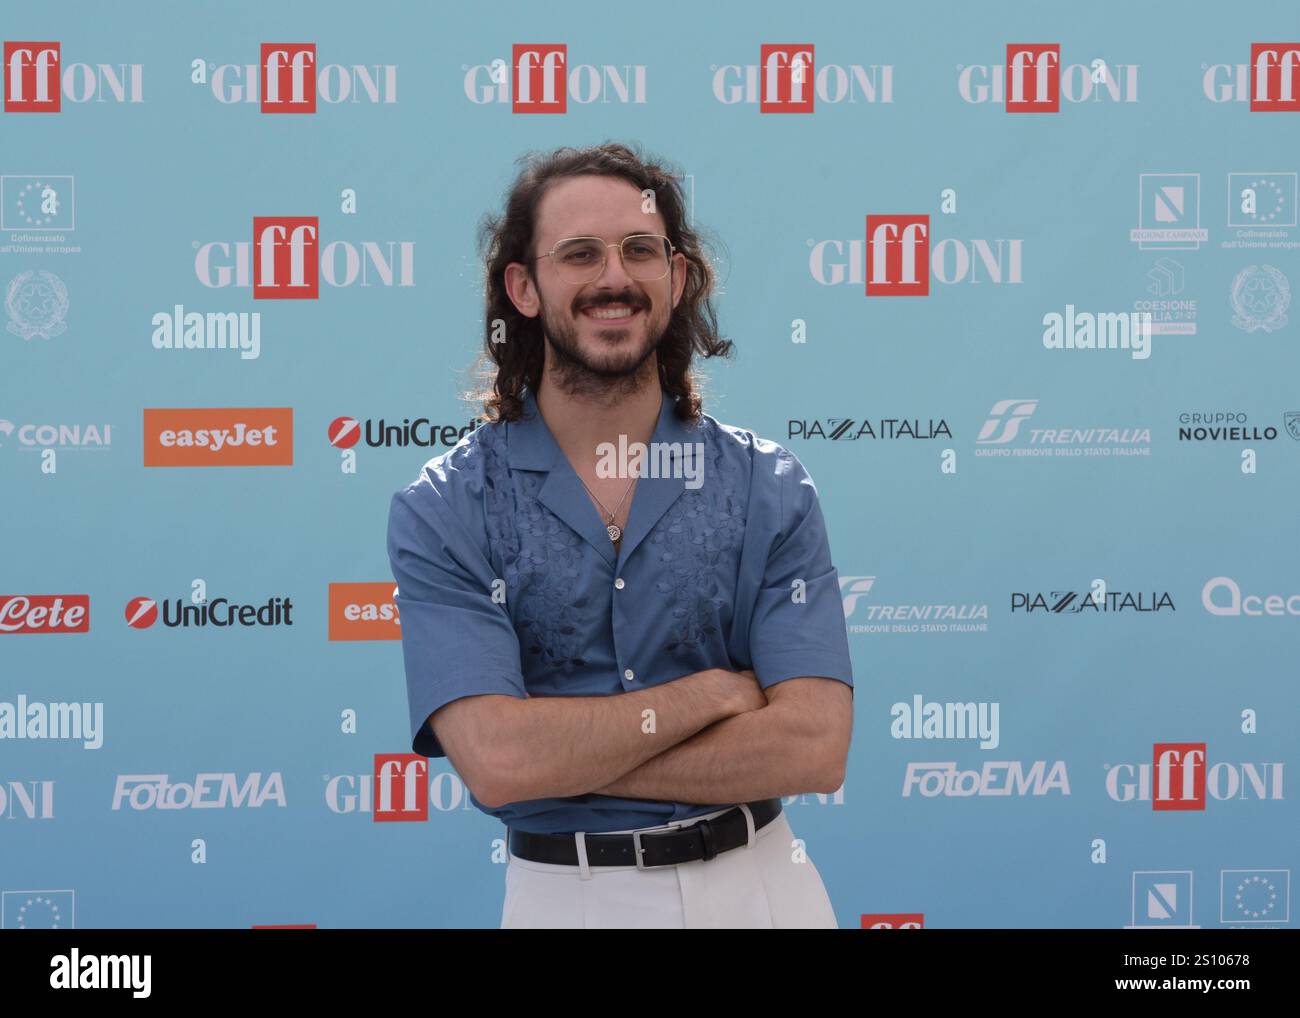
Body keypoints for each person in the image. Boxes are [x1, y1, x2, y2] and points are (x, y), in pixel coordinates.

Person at [386, 141, 854, 928]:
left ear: (675, 279)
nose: (614, 278)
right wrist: (710, 696)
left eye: (641, 250)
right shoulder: (446, 507)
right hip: (570, 900)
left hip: (764, 890)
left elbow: (812, 747)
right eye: (580, 255)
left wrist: (563, 756)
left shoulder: (769, 486)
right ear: (523, 287)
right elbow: (500, 764)